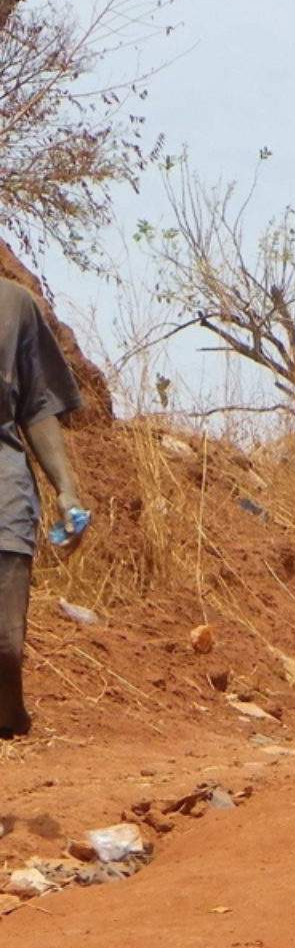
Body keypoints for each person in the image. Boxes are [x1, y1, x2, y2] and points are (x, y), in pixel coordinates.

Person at [0, 278, 86, 740]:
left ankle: (8, 713)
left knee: (6, 644)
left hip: (4, 485)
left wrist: (66, 490)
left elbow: (37, 404)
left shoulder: (14, 304)